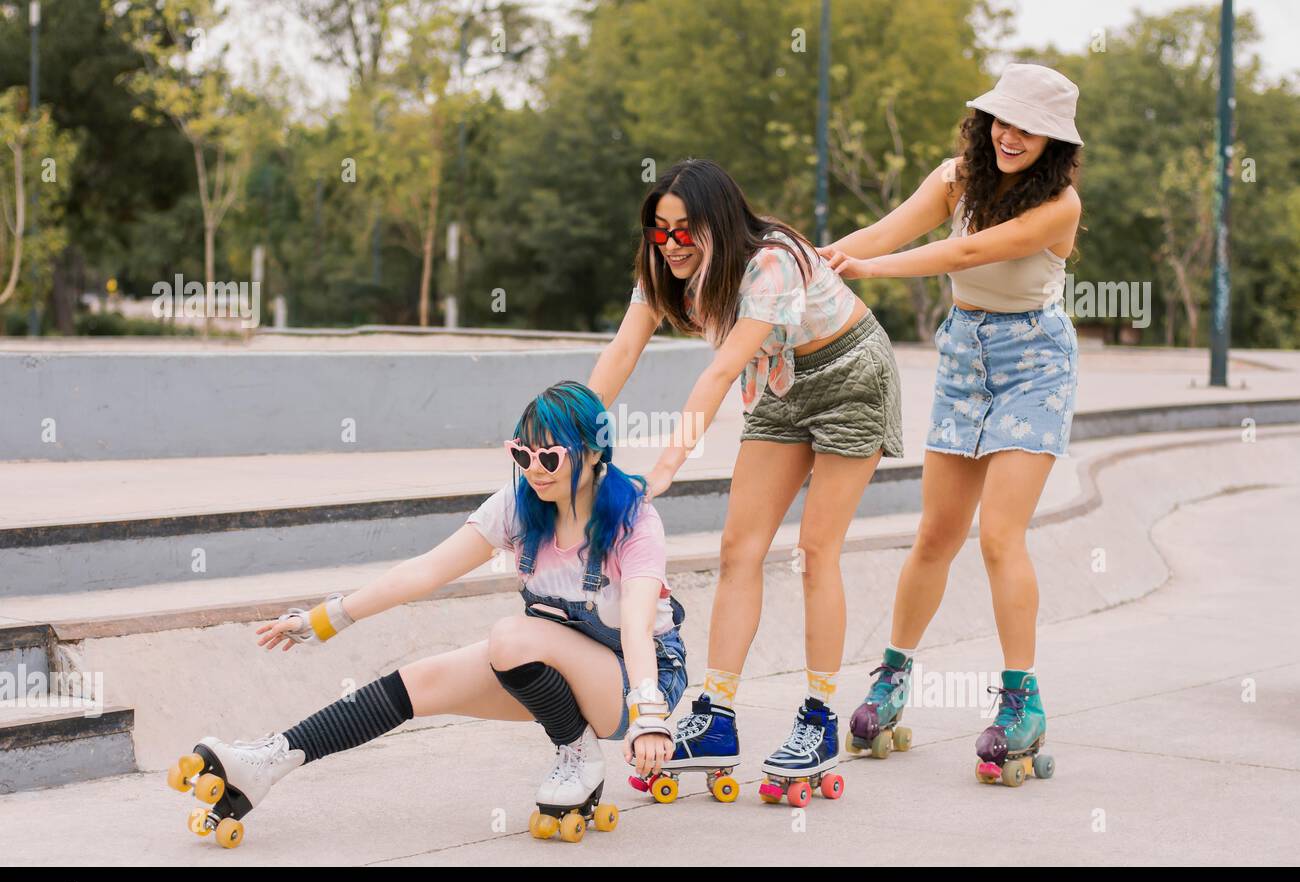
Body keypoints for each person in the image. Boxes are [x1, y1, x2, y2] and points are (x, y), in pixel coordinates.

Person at [166, 381, 689, 846]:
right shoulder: (519, 504)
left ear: (595, 453)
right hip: (549, 665)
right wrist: (326, 620)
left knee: (510, 637)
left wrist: (648, 718)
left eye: (549, 457)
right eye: (521, 454)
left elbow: (640, 626)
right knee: (421, 681)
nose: (534, 470)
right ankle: (268, 760)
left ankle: (577, 751)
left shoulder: (634, 520)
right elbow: (426, 571)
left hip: (636, 681)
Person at [589, 158, 903, 803]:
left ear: (719, 224)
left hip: (851, 376)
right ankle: (718, 715)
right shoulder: (660, 270)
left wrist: (669, 463)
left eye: (687, 230)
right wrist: (568, 432)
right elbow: (621, 351)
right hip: (782, 385)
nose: (671, 244)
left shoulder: (772, 260)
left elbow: (720, 371)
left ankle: (818, 717)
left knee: (816, 552)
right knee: (739, 549)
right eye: (660, 230)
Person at [820, 64, 1082, 784]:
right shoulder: (956, 176)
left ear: (1053, 141)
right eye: (1002, 120)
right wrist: (829, 260)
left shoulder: (1060, 205)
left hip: (1035, 363)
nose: (1009, 135)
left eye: (1027, 127)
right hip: (966, 356)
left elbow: (967, 253)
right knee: (936, 533)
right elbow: (887, 228)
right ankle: (892, 679)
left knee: (999, 534)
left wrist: (874, 273)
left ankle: (1021, 701)